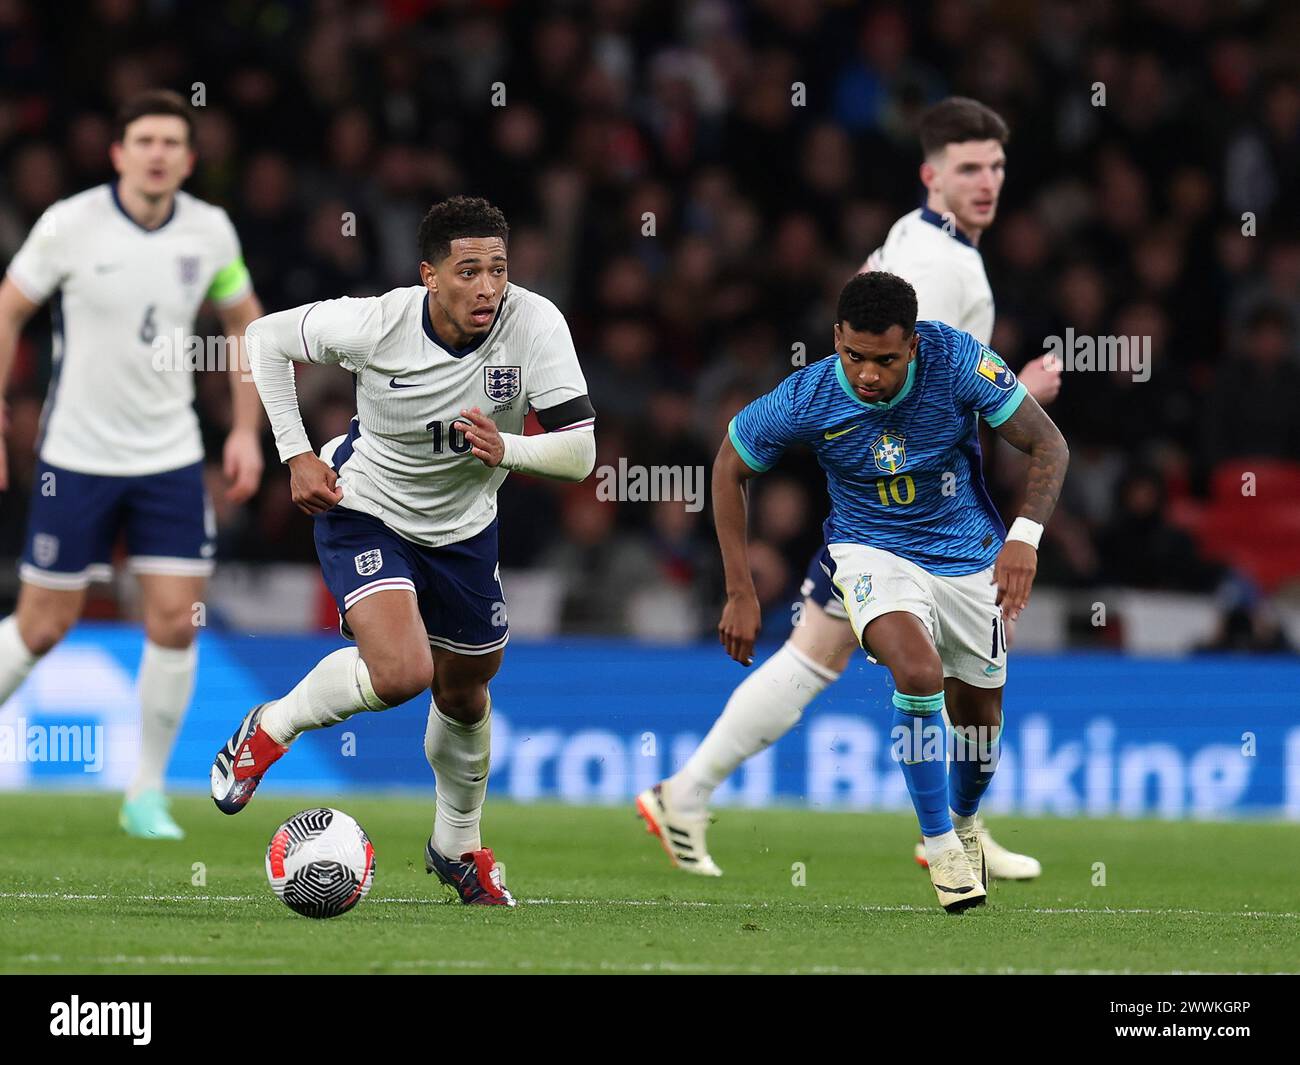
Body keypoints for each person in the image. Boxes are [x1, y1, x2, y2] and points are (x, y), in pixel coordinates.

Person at [640, 97, 1059, 879]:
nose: (987, 182)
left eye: (997, 167)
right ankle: (949, 829)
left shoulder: (917, 237)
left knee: (815, 658)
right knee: (841, 659)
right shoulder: (941, 265)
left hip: (902, 504)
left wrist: (1014, 390)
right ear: (931, 173)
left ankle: (687, 792)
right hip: (892, 510)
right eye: (969, 167)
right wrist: (1022, 398)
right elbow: (900, 387)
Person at [210, 196, 596, 907]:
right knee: (402, 671)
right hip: (366, 509)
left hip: (467, 530)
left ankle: (457, 848)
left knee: (466, 688)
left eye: (499, 270)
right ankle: (269, 727)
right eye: (469, 270)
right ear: (430, 275)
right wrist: (294, 453)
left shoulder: (535, 323)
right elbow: (263, 337)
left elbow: (582, 453)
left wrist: (506, 446)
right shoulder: (376, 323)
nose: (488, 287)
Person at [0, 89, 264, 839]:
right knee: (44, 624)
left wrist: (245, 430)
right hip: (75, 455)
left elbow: (244, 322)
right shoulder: (70, 224)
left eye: (171, 142)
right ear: (118, 153)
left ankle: (145, 790)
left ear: (188, 157)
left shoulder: (209, 231)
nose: (157, 153)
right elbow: (9, 305)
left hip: (169, 456)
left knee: (177, 620)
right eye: (143, 139)